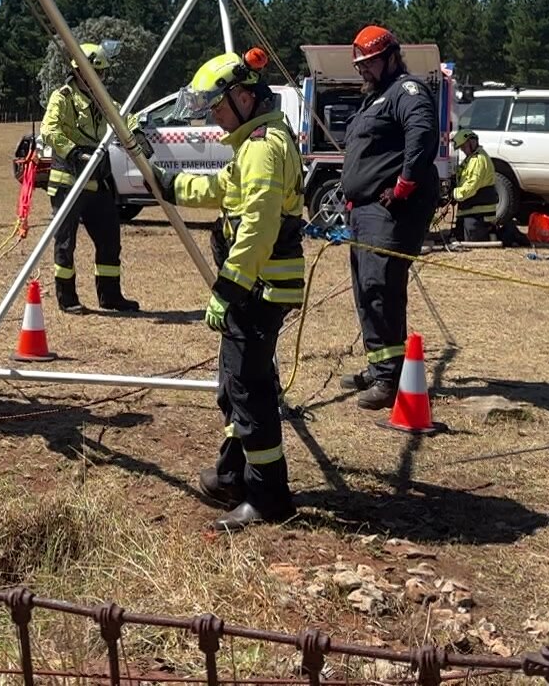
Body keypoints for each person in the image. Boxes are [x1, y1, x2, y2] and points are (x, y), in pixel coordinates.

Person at [144, 48, 303, 532]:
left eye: (217, 104)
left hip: (258, 290)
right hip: (256, 288)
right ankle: (233, 474)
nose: (212, 114)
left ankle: (268, 496)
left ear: (241, 94)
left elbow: (257, 225)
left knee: (248, 389)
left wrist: (228, 289)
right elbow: (220, 191)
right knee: (234, 386)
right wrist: (166, 181)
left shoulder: (262, 146)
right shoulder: (254, 142)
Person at [338, 26, 440, 409]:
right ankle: (382, 364)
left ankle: (388, 378)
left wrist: (403, 185)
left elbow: (422, 134)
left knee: (381, 288)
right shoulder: (376, 98)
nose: (362, 70)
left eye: (368, 63)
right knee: (366, 290)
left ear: (391, 57)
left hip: (391, 210)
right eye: (359, 64)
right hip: (365, 210)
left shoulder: (407, 91)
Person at [40, 42, 138, 313]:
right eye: (96, 73)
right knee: (66, 242)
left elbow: (124, 115)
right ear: (79, 71)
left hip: (98, 181)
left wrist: (137, 132)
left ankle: (110, 297)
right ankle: (67, 298)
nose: (101, 79)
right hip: (67, 182)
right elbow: (49, 129)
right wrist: (72, 152)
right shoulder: (63, 97)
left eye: (103, 74)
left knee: (110, 240)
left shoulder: (103, 99)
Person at [448, 129, 501, 242]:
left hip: (479, 213)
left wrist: (453, 193)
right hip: (471, 211)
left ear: (471, 143)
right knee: (459, 236)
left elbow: (470, 188)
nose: (462, 150)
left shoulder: (478, 160)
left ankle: (491, 232)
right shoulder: (471, 159)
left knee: (470, 239)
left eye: (463, 147)